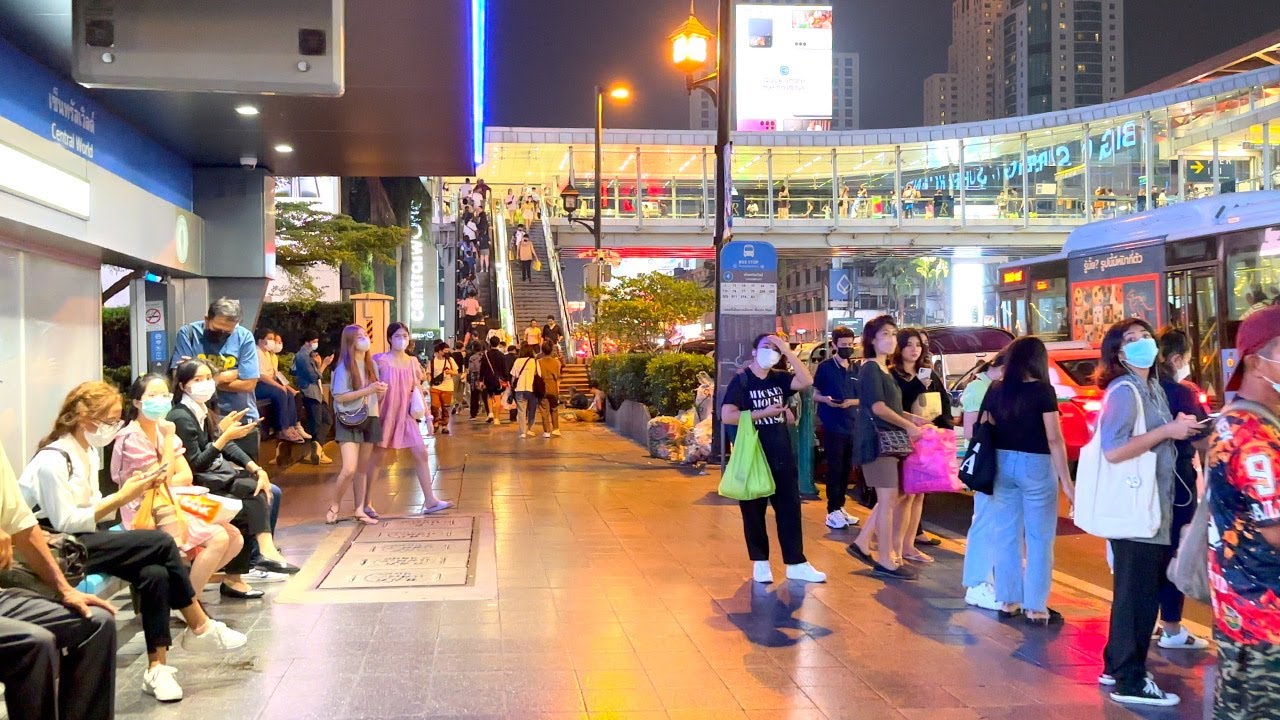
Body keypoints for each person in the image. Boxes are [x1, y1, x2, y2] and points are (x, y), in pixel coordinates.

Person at [19, 381, 248, 703]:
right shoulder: (53, 459)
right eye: (110, 420)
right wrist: (124, 497)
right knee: (159, 543)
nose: (113, 427)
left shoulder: (85, 450)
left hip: (80, 538)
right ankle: (199, 623)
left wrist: (127, 494)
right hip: (53, 547)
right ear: (85, 417)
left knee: (153, 572)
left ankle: (158, 668)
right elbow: (63, 522)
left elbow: (91, 509)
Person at [1094, 318, 1199, 707]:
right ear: (1118, 353)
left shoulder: (1150, 386)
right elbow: (1114, 449)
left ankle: (1115, 665)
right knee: (1137, 597)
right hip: (1136, 510)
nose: (1141, 344)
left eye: (1145, 337)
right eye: (1130, 340)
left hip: (1152, 506)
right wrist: (1167, 432)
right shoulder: (1125, 390)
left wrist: (1180, 428)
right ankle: (1131, 679)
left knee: (1134, 592)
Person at [112, 374, 249, 600]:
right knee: (218, 538)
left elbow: (184, 476)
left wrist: (159, 480)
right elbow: (163, 478)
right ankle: (189, 604)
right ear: (137, 402)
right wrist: (166, 449)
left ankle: (182, 594)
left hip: (170, 500)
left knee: (235, 537)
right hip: (144, 509)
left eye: (165, 395)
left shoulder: (164, 430)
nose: (161, 400)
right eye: (153, 395)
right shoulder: (132, 438)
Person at [1207, 305, 1280, 718]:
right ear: (1255, 361)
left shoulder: (1238, 420)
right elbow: (1275, 530)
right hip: (1265, 621)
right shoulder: (1254, 439)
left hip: (1242, 610)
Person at [974, 338, 1074, 625]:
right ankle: (1036, 606)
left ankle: (1008, 600)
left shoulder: (996, 389)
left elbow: (985, 425)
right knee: (1039, 537)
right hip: (1036, 466)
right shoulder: (1043, 391)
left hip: (1003, 464)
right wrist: (1067, 482)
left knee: (1006, 534)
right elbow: (1054, 438)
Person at [169, 360, 298, 582]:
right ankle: (252, 564)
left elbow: (227, 445)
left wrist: (256, 468)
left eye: (209, 378)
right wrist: (223, 437)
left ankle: (255, 561)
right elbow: (194, 465)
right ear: (182, 386)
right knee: (252, 498)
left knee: (266, 489)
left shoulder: (202, 410)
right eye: (197, 380)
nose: (206, 384)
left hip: (213, 478)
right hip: (195, 487)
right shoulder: (180, 416)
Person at [721, 334, 826, 584]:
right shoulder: (742, 380)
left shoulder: (779, 379)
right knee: (753, 510)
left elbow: (806, 380)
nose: (771, 352)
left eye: (775, 349)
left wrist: (787, 352)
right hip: (754, 454)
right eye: (766, 347)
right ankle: (760, 562)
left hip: (781, 453)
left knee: (789, 509)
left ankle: (796, 562)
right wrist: (763, 413)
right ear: (754, 352)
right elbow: (727, 415)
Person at [846, 315, 929, 581]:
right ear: (871, 339)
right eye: (884, 334)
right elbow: (877, 407)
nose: (891, 339)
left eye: (893, 334)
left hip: (891, 442)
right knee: (887, 500)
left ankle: (862, 543)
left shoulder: (884, 370)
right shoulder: (870, 368)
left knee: (894, 497)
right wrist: (908, 425)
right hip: (878, 442)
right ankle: (885, 560)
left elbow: (890, 406)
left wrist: (912, 419)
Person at [1153, 327, 1211, 650]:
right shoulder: (1182, 392)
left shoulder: (1143, 389)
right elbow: (1202, 438)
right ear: (1176, 358)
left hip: (1145, 485)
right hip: (1178, 485)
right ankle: (1172, 627)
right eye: (1187, 359)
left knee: (1150, 554)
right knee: (1176, 550)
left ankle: (1148, 622)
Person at [889, 328, 954, 565]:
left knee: (919, 493)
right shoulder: (893, 374)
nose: (914, 349)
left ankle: (909, 546)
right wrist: (919, 383)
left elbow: (941, 400)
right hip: (905, 438)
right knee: (904, 495)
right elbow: (896, 404)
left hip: (927, 437)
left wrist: (944, 427)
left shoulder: (927, 372)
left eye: (918, 345)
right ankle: (896, 548)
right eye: (909, 345)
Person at [374, 324, 453, 515]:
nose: (402, 339)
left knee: (421, 453)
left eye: (405, 335)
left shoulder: (412, 362)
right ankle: (365, 503)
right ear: (389, 338)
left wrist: (428, 416)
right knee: (376, 459)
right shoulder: (380, 360)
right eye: (397, 336)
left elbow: (416, 389)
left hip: (406, 416)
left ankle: (430, 500)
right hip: (384, 414)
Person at [171, 297, 262, 459]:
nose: (221, 335)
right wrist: (226, 375)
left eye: (227, 333)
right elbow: (180, 377)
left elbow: (248, 384)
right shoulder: (189, 333)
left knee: (247, 475)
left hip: (241, 418)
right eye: (217, 329)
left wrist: (202, 379)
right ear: (207, 319)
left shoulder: (244, 337)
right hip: (201, 420)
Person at [960, 351, 1008, 611]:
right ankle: (977, 583)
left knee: (996, 523)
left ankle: (989, 581)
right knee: (985, 519)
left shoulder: (995, 387)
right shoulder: (978, 388)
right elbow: (971, 430)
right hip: (988, 461)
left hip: (999, 462)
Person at [328, 325, 388, 524]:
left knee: (362, 467)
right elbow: (340, 396)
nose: (364, 340)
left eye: (365, 336)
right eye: (359, 337)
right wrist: (369, 390)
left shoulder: (372, 365)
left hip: (370, 417)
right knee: (349, 468)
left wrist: (379, 391)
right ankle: (334, 505)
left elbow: (375, 396)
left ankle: (359, 509)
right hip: (348, 419)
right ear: (350, 342)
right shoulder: (344, 367)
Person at [812, 325, 861, 530]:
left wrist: (852, 402)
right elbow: (813, 393)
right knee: (835, 468)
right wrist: (825, 399)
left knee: (846, 470)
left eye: (850, 345)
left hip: (853, 425)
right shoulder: (825, 368)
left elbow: (865, 397)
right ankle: (832, 510)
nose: (847, 348)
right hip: (832, 425)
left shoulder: (856, 368)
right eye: (843, 345)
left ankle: (840, 507)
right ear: (834, 345)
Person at [253, 329, 307, 445]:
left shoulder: (268, 354)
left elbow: (275, 373)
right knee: (280, 392)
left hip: (269, 384)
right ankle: (283, 429)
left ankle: (291, 426)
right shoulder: (256, 352)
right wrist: (279, 386)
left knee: (290, 394)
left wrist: (286, 386)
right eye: (270, 339)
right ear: (261, 340)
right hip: (258, 385)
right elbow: (261, 376)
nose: (273, 342)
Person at [293, 332, 335, 465]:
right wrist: (323, 365)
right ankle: (317, 451)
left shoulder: (307, 356)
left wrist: (318, 365)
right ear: (307, 342)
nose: (315, 344)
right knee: (316, 422)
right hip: (310, 393)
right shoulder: (302, 356)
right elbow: (312, 377)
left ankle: (317, 447)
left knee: (327, 419)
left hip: (317, 393)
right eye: (314, 341)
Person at [427, 340, 460, 435]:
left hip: (448, 386)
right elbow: (428, 373)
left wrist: (451, 372)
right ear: (439, 351)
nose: (447, 352)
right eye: (445, 350)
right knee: (435, 406)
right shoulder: (432, 361)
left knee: (445, 407)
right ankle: (436, 423)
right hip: (435, 387)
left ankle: (445, 425)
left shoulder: (450, 360)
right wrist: (429, 381)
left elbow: (456, 372)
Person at [512, 344, 543, 438]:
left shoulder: (517, 361)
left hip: (520, 388)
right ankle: (530, 429)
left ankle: (523, 432)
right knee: (532, 409)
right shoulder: (534, 361)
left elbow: (514, 376)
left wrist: (512, 387)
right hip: (532, 388)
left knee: (521, 410)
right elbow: (539, 374)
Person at [479, 336, 511, 425]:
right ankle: (496, 418)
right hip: (498, 380)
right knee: (497, 398)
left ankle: (490, 413)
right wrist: (507, 379)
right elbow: (505, 369)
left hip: (488, 379)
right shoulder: (501, 355)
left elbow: (482, 368)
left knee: (489, 396)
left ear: (490, 343)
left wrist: (481, 380)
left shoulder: (486, 354)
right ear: (498, 343)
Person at [537, 341, 563, 438]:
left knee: (544, 410)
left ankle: (547, 431)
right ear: (552, 350)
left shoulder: (539, 362)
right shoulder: (557, 362)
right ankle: (556, 429)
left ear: (542, 350)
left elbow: (538, 375)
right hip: (553, 386)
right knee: (554, 409)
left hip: (543, 386)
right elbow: (559, 377)